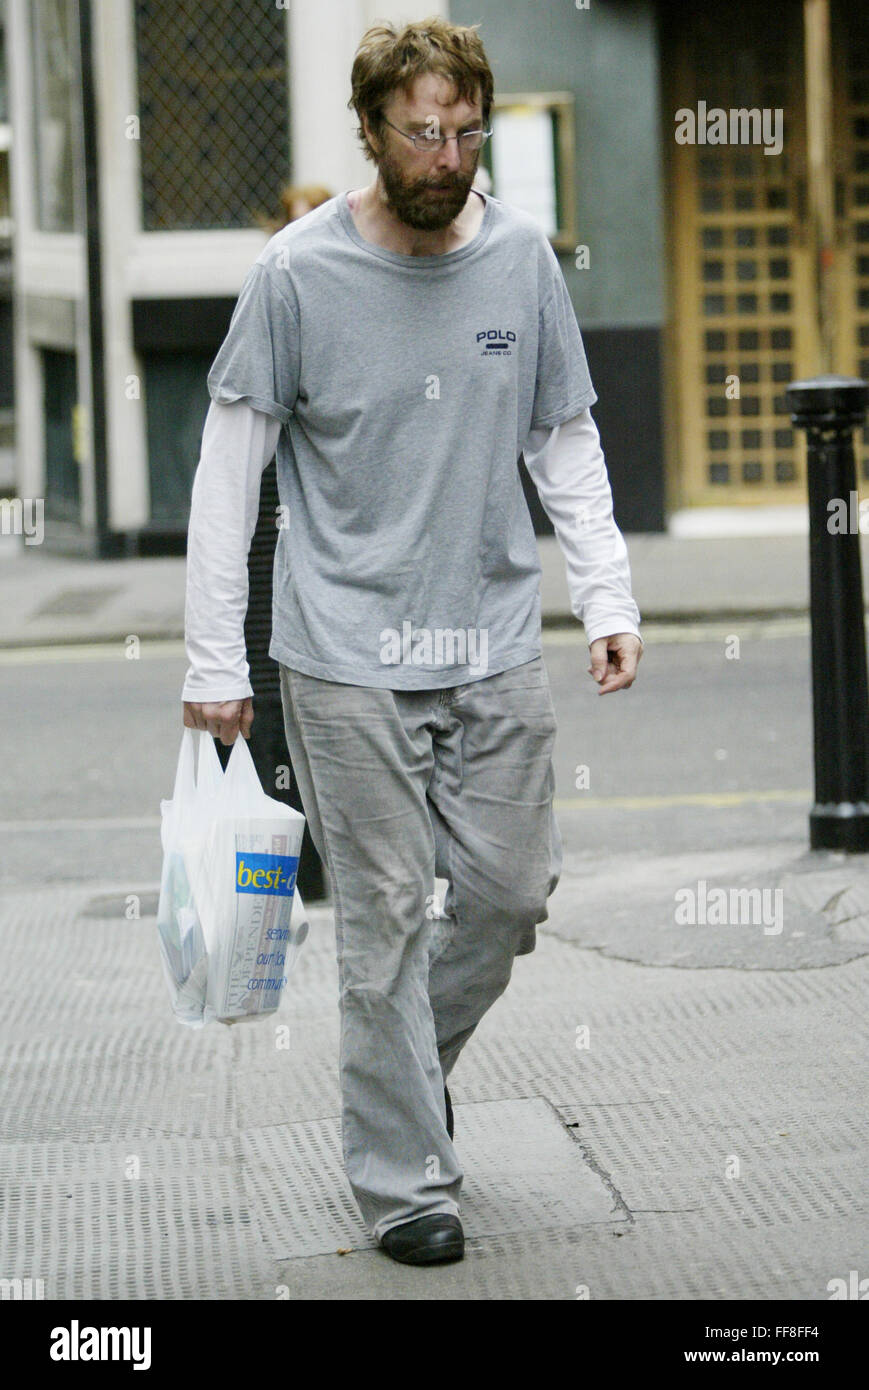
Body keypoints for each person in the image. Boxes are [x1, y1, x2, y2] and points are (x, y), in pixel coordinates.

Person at [182, 16, 643, 1267]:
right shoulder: (296, 273)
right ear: (373, 133)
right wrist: (213, 661)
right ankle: (403, 1183)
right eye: (419, 131)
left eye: (462, 128)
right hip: (339, 653)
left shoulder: (519, 261)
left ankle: (399, 1076)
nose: (444, 154)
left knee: (505, 893)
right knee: (381, 913)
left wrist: (605, 595)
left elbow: (564, 438)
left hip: (488, 635)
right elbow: (231, 469)